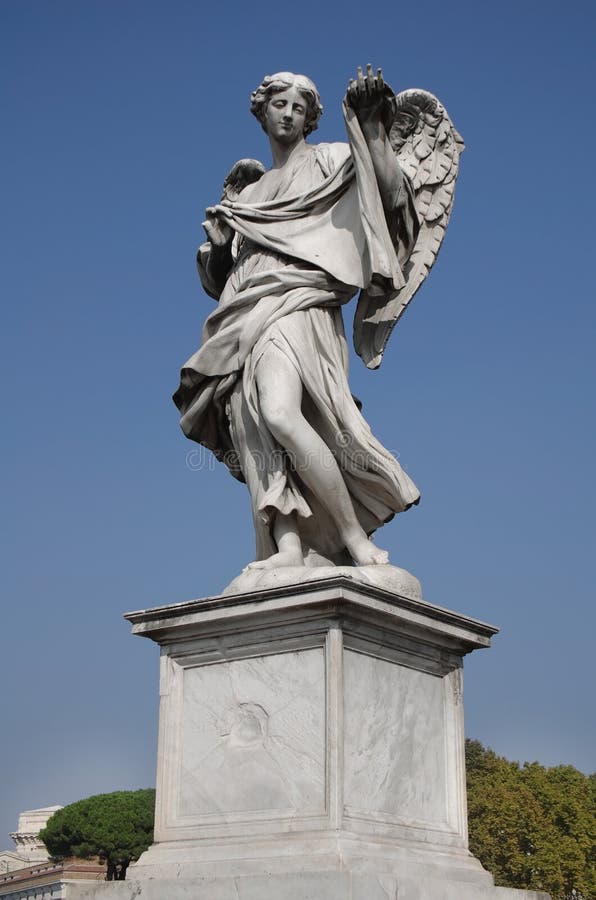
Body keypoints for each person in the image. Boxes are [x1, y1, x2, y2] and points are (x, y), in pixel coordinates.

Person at [173, 66, 420, 569]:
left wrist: (372, 128)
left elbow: (391, 198)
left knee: (282, 413)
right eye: (279, 105)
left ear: (311, 119)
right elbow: (224, 276)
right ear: (262, 112)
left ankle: (354, 537)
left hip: (300, 306)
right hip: (243, 313)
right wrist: (222, 251)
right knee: (254, 423)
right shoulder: (250, 195)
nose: (288, 114)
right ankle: (287, 544)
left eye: (299, 108)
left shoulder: (331, 158)